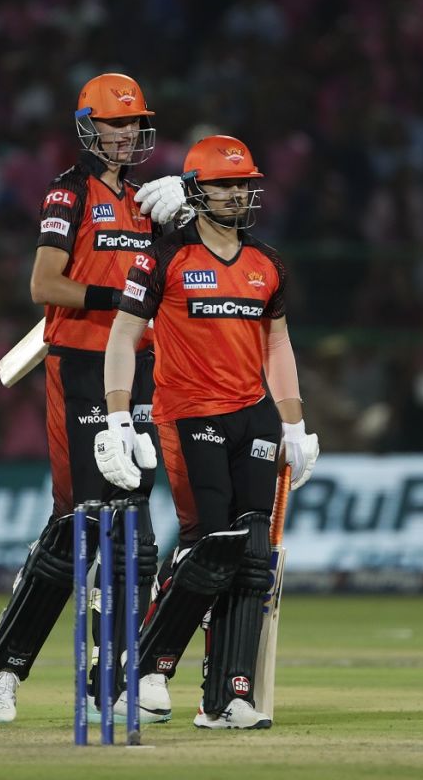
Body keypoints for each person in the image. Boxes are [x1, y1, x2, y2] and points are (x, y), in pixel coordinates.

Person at [0, 73, 188, 724]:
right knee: (79, 525)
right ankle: (5, 669)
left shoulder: (149, 205)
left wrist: (190, 209)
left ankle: (114, 682)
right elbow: (46, 283)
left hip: (142, 369)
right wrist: (118, 299)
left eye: (133, 123)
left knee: (137, 536)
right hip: (80, 368)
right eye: (114, 123)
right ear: (89, 127)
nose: (126, 134)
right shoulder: (70, 193)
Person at [96, 134, 320, 729]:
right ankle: (146, 671)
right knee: (208, 544)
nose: (238, 193)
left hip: (255, 413)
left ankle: (229, 694)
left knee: (253, 552)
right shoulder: (164, 257)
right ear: (197, 189)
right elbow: (122, 336)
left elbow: (277, 343)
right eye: (225, 183)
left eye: (245, 182)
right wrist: (119, 414)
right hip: (189, 412)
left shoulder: (267, 263)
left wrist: (294, 420)